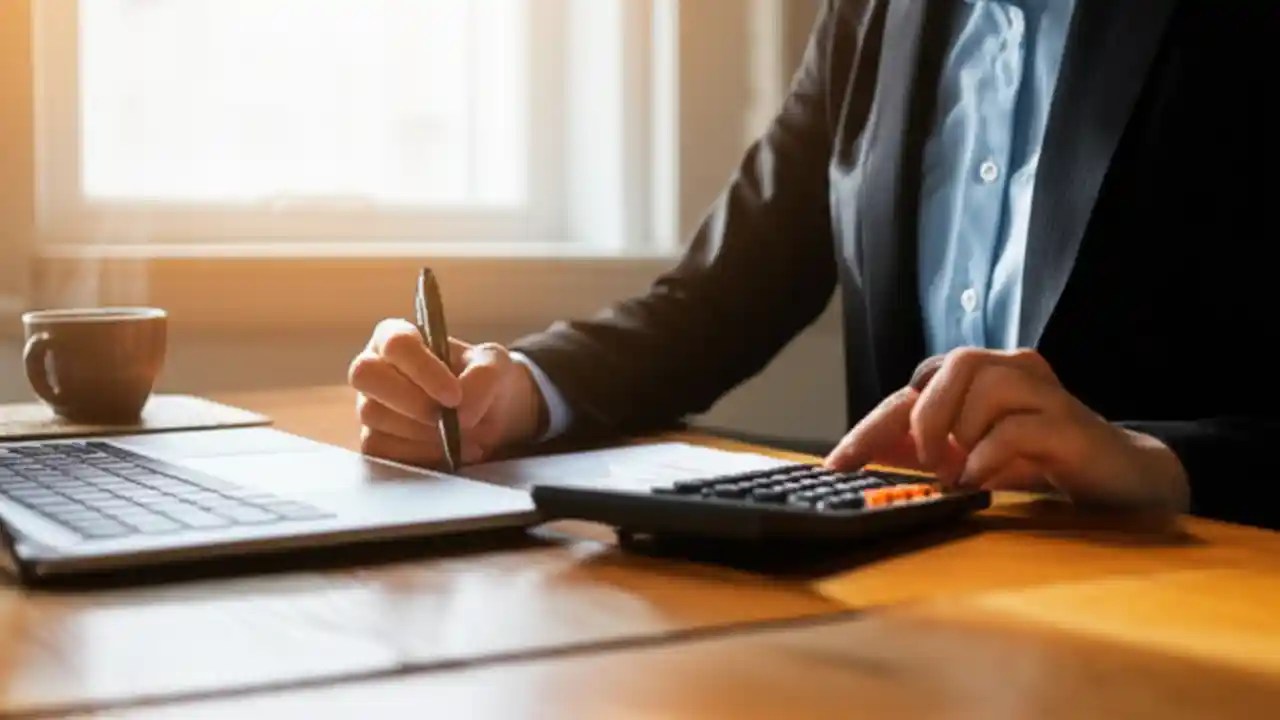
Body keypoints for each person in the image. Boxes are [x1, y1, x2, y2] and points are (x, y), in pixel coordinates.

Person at [347, 0, 1278, 530]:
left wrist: (1153, 459)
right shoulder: (877, 15)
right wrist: (517, 393)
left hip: (1196, 600)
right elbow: (719, 296)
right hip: (906, 605)